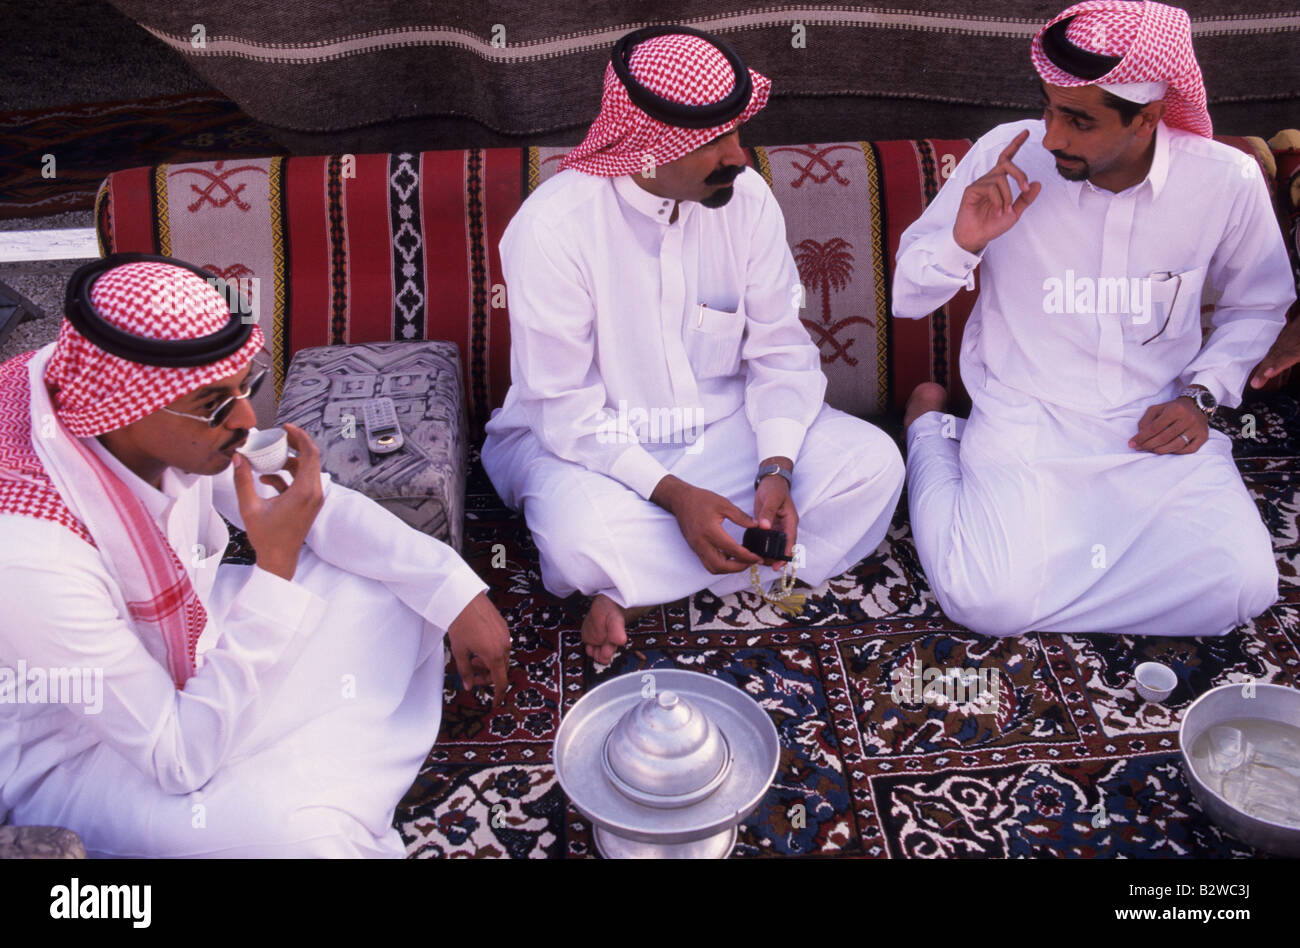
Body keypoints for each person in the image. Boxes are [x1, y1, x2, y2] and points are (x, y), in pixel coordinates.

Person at [0, 255, 511, 857]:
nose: (247, 421)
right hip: (94, 752)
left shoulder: (112, 396)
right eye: (217, 402)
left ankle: (307, 762)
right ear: (130, 409)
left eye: (248, 386)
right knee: (295, 839)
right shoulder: (31, 558)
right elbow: (177, 757)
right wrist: (273, 570)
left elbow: (309, 501)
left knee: (387, 589)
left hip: (191, 640)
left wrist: (455, 590)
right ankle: (311, 784)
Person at [482, 26, 904, 662]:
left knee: (874, 466)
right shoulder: (552, 230)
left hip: (728, 433)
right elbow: (563, 410)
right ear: (650, 149)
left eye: (736, 132)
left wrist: (776, 469)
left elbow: (781, 353)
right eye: (713, 141)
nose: (738, 155)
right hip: (593, 450)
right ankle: (716, 559)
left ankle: (643, 590)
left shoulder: (749, 201)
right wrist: (676, 497)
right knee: (580, 543)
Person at [894, 1, 1294, 638]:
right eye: (1050, 108)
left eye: (1078, 120)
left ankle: (1059, 576)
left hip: (1150, 426)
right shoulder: (1009, 155)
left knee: (1243, 588)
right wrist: (963, 242)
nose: (1052, 136)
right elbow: (908, 295)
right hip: (1026, 417)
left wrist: (1201, 396)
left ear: (1149, 119)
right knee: (986, 603)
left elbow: (1260, 303)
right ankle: (928, 432)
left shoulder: (1225, 180)